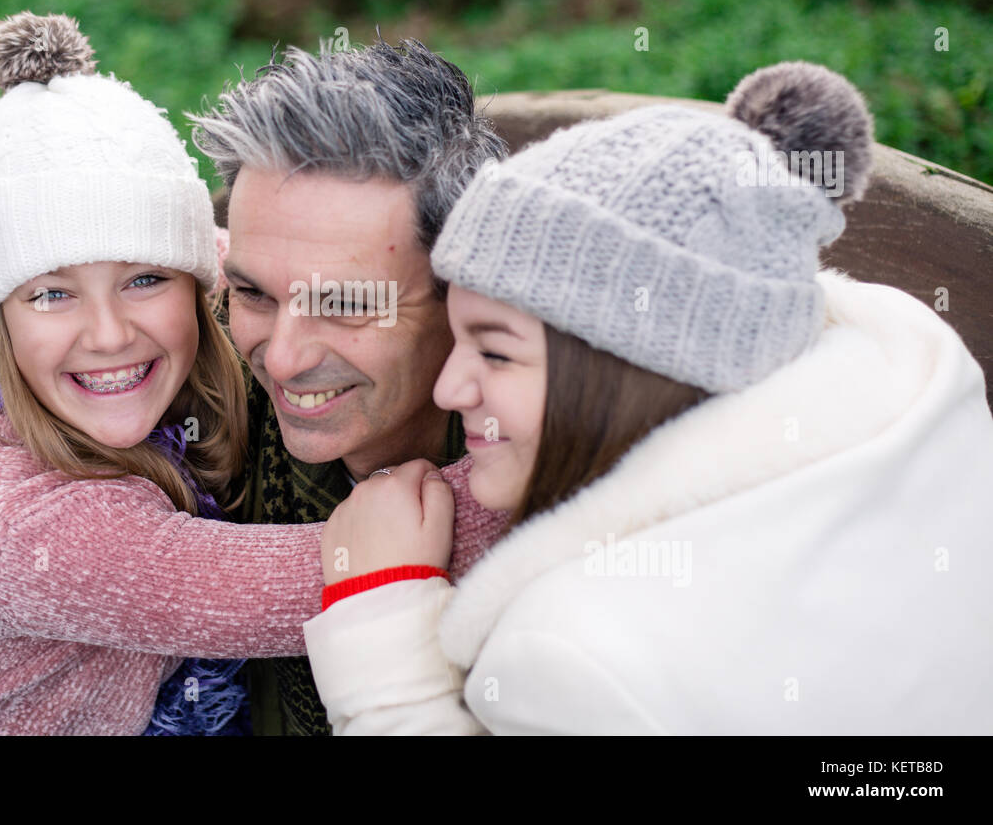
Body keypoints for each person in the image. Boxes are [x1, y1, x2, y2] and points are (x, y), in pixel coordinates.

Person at [0, 12, 504, 735]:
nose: (284, 357)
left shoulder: (219, 291)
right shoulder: (39, 525)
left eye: (348, 305)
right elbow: (351, 576)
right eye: (254, 291)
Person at [302, 61, 993, 734]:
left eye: (496, 350)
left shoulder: (579, 657)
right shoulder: (913, 393)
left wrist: (385, 636)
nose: (450, 388)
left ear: (631, 365)